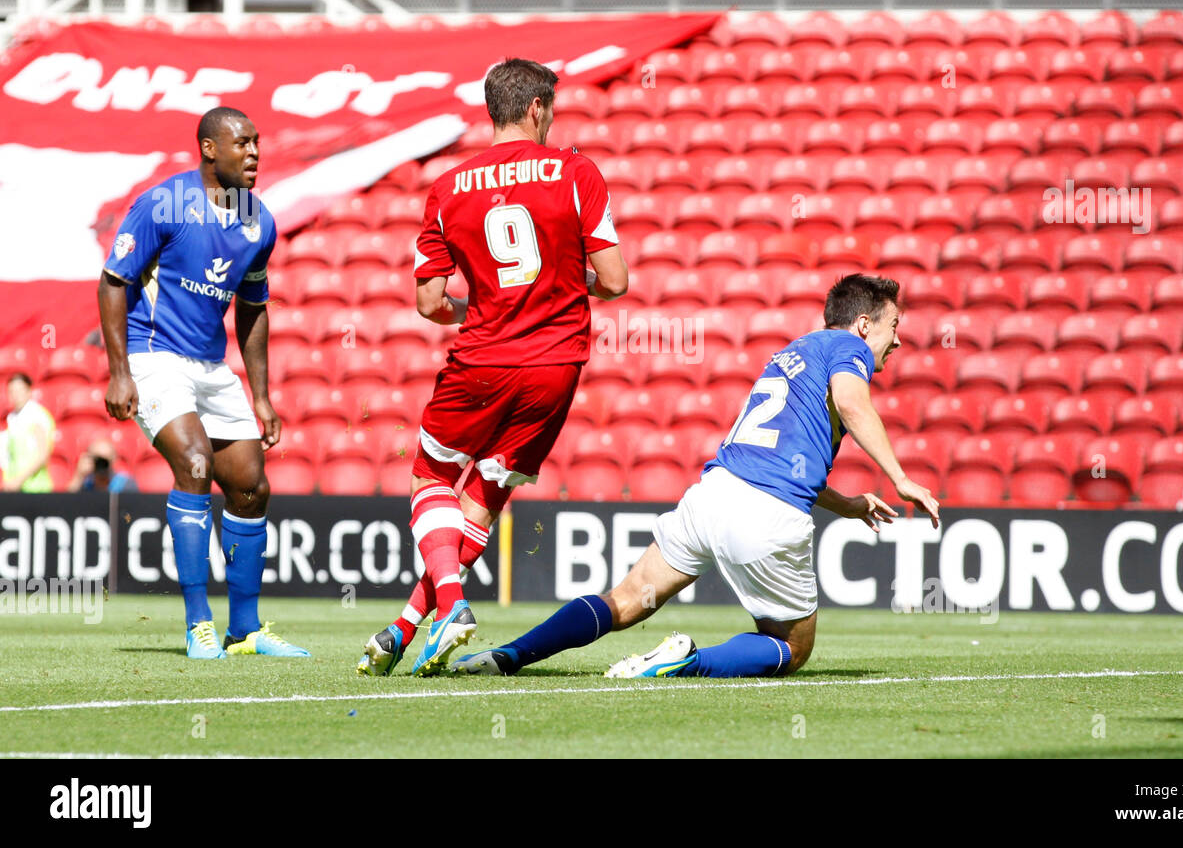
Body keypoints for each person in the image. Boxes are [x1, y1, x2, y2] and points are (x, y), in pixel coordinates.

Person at [453, 274, 940, 680]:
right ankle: (685, 661)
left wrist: (850, 505)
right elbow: (854, 404)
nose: (897, 339)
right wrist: (899, 476)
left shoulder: (796, 353)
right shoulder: (845, 348)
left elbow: (778, 461)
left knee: (624, 601)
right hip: (765, 517)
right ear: (862, 324)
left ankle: (507, 655)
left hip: (714, 494)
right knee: (792, 646)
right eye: (893, 325)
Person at [356, 58, 628, 678]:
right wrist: (565, 279)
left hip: (484, 357)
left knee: (430, 473)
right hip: (557, 366)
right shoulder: (576, 170)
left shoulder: (448, 188)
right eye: (551, 108)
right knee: (484, 494)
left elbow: (429, 303)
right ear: (536, 108)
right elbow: (614, 281)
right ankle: (404, 626)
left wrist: (479, 301)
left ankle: (451, 606)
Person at [99, 106, 308, 660]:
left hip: (211, 367)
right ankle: (199, 625)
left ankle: (247, 630)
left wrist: (261, 395)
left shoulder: (259, 222)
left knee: (249, 485)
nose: (255, 152)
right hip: (152, 355)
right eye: (242, 143)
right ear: (210, 149)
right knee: (194, 464)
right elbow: (113, 280)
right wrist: (120, 371)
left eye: (258, 142)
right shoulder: (162, 203)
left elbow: (253, 308)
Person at [3, 373, 56, 492]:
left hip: (35, 488)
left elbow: (43, 455)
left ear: (29, 391)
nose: (16, 395)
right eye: (12, 391)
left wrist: (18, 480)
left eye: (19, 390)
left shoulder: (37, 415)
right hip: (18, 488)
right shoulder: (12, 418)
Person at [71, 438, 138, 492]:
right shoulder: (85, 483)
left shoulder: (125, 484)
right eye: (98, 460)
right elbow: (68, 503)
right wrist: (79, 476)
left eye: (104, 461)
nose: (101, 465)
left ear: (114, 460)